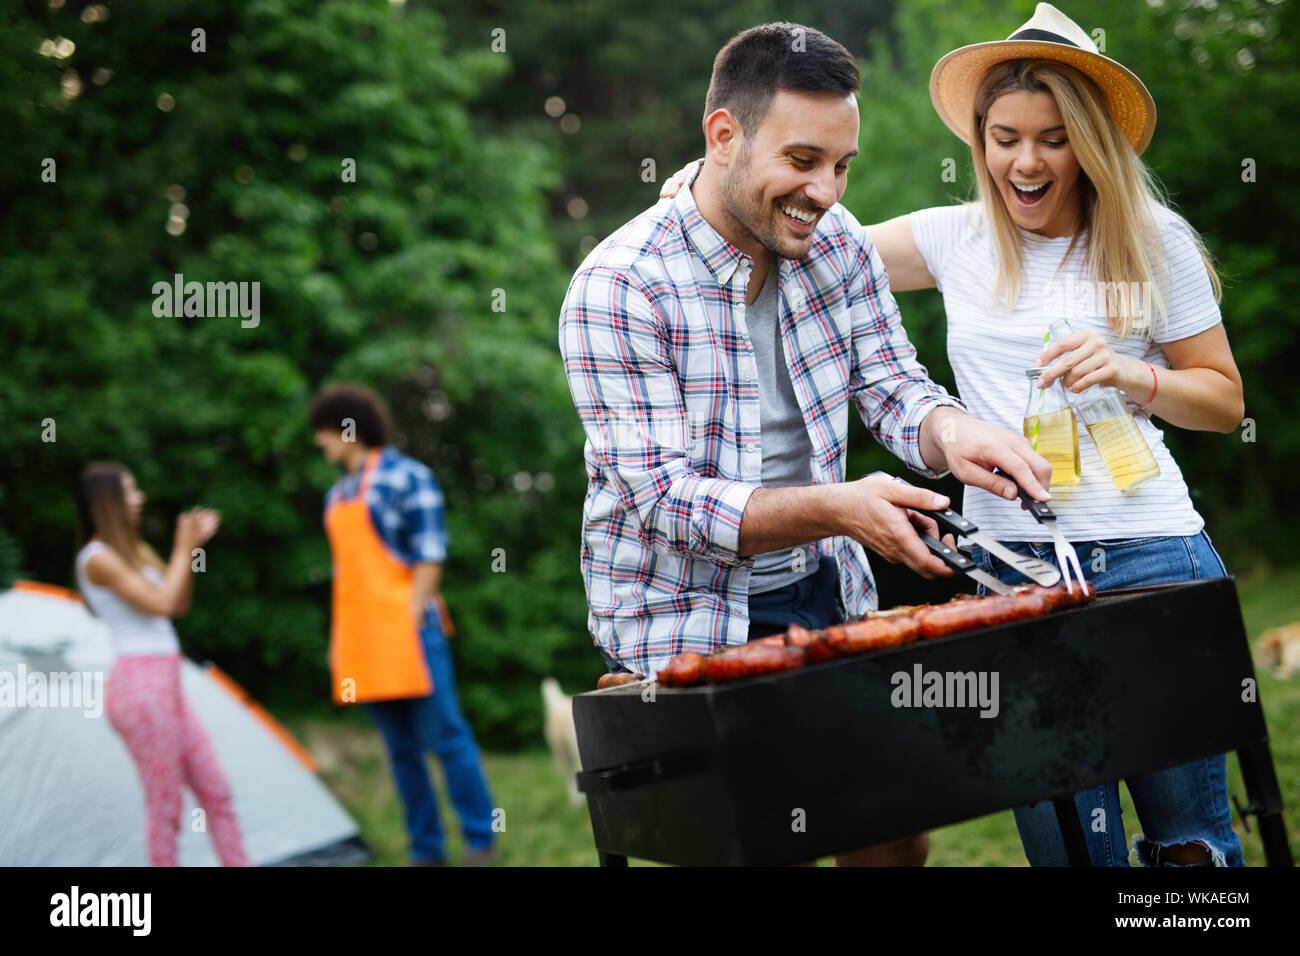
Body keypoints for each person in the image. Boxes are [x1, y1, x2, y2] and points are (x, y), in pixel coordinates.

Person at [559, 22, 1053, 867]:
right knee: (760, 843)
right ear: (723, 137)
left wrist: (954, 431)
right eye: (802, 160)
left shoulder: (839, 246)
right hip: (685, 618)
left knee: (893, 839)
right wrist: (841, 508)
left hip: (827, 592)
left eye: (841, 165)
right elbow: (659, 501)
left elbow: (895, 385)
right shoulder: (619, 286)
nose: (826, 191)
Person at [860, 4, 1245, 866]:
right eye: (1004, 137)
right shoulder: (950, 239)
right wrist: (705, 182)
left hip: (1156, 561)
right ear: (981, 141)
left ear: (1090, 145)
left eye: (1053, 138)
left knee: (1190, 847)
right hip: (1014, 576)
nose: (1024, 161)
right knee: (1072, 849)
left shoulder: (1154, 244)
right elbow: (809, 237)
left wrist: (1131, 373)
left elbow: (1222, 401)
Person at [309, 384, 497, 866]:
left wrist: (409, 619)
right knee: (400, 751)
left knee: (446, 737)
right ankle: (426, 850)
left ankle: (480, 840)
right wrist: (339, 640)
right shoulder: (336, 496)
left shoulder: (407, 477)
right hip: (361, 640)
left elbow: (430, 554)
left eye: (324, 431)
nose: (319, 442)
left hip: (410, 632)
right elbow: (344, 576)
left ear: (348, 428)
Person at [74, 462, 253, 867]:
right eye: (130, 491)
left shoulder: (135, 553)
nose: (140, 499)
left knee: (217, 790)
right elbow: (162, 603)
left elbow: (179, 603)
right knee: (166, 807)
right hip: (140, 690)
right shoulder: (96, 558)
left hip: (167, 686)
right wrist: (184, 547)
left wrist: (188, 551)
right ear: (107, 502)